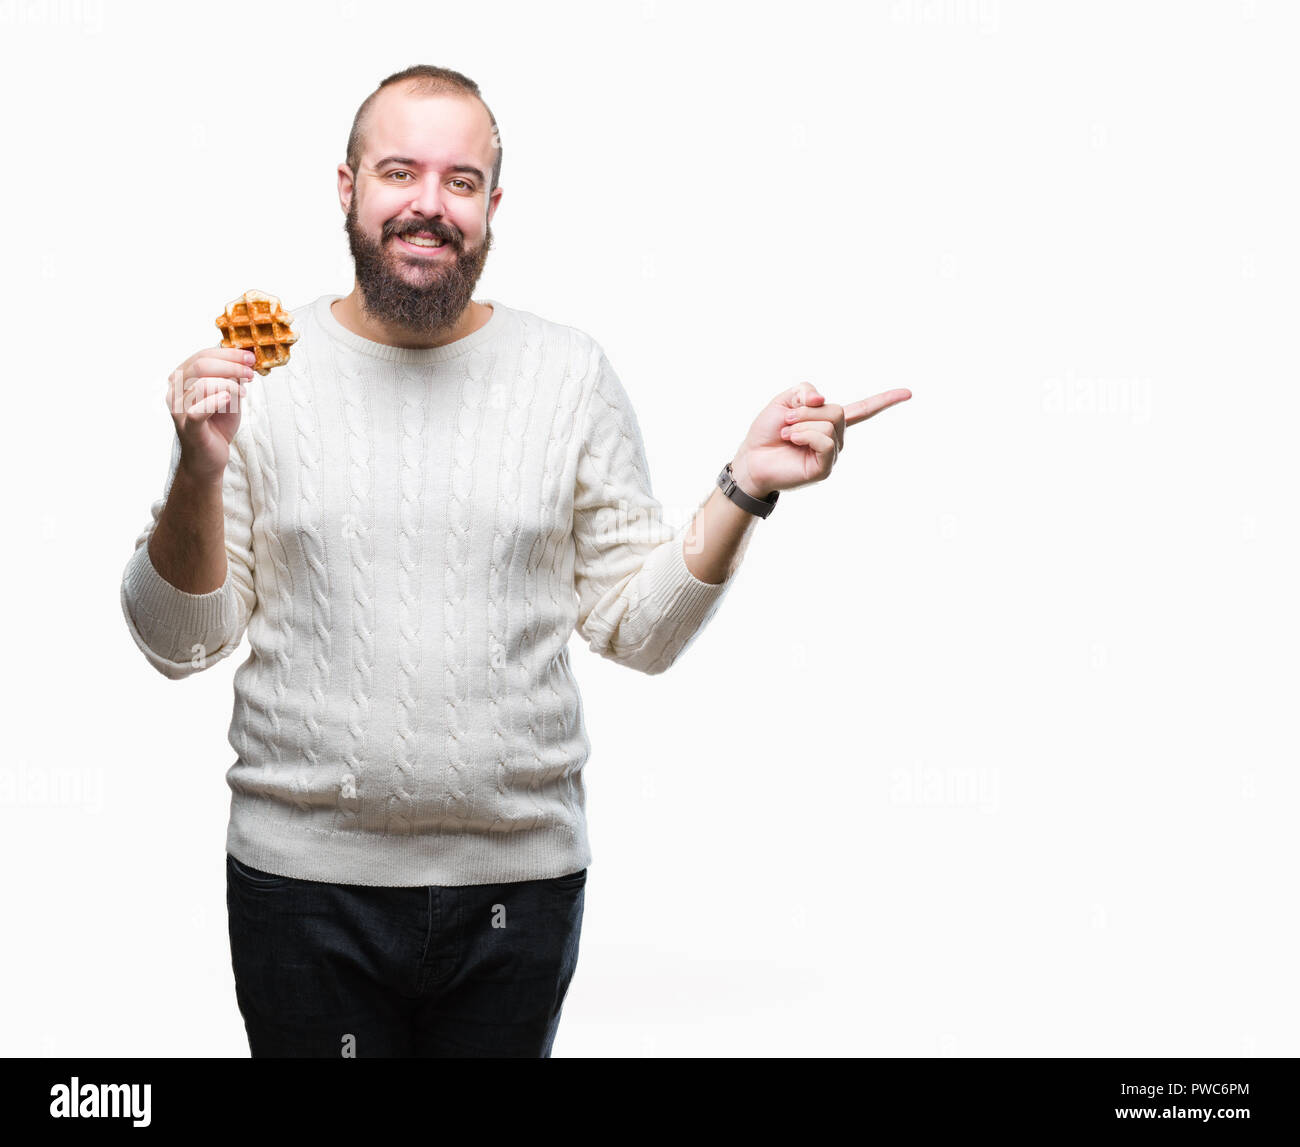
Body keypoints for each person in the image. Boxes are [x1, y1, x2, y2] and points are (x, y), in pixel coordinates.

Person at [119, 64, 911, 1059]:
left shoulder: (565, 373)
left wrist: (746, 483)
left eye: (459, 181)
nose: (427, 204)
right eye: (399, 171)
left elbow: (638, 628)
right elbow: (179, 643)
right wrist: (197, 466)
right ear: (346, 187)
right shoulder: (254, 382)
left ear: (492, 205)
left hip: (519, 889)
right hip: (301, 887)